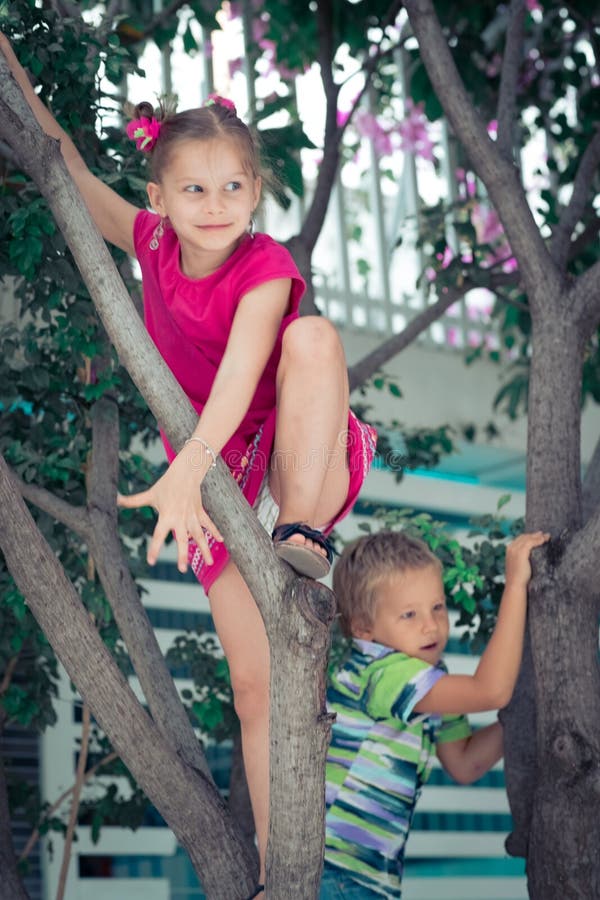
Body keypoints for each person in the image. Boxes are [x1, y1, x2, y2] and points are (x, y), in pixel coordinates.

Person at [0, 35, 377, 896]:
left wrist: (190, 472)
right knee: (257, 689)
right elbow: (58, 154)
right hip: (210, 479)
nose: (214, 205)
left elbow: (247, 374)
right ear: (160, 197)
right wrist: (9, 69)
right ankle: (288, 874)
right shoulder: (148, 242)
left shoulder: (266, 266)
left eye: (233, 186)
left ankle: (306, 537)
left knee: (315, 340)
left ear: (258, 192)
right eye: (193, 189)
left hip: (292, 452)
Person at [320, 527, 549, 899]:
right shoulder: (381, 674)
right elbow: (491, 691)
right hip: (333, 873)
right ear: (364, 628)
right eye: (409, 614)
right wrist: (515, 587)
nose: (431, 625)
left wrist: (534, 710)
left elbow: (465, 763)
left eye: (437, 607)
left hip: (368, 877)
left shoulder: (428, 682)